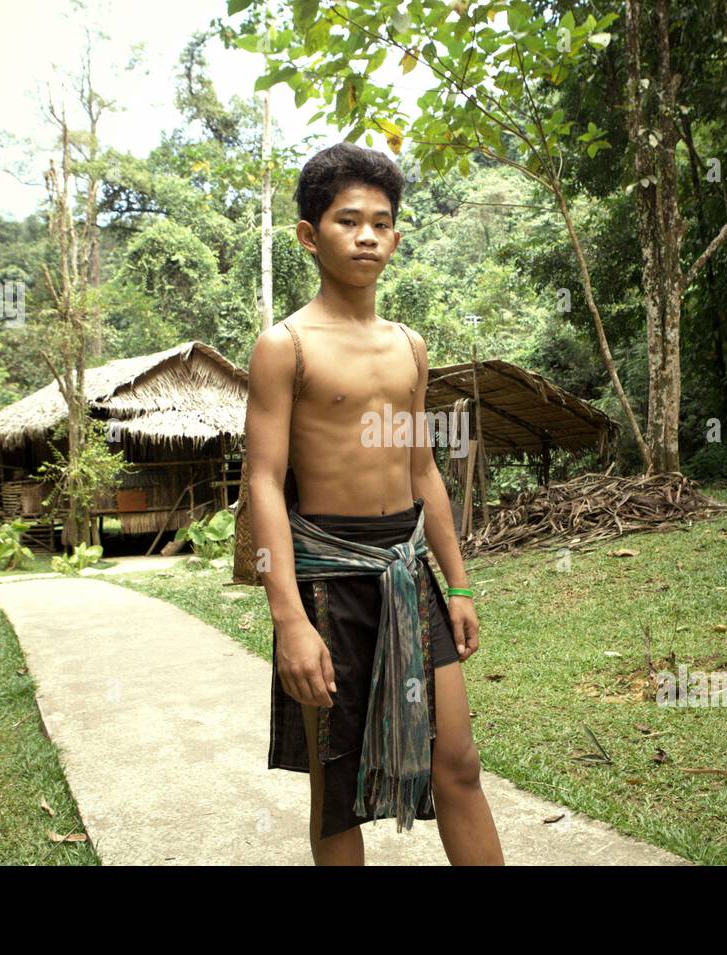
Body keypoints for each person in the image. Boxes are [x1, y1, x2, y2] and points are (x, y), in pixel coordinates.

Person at [244, 142, 504, 865]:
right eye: (347, 220)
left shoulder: (409, 347)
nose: (366, 235)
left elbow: (422, 470)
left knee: (457, 763)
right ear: (308, 234)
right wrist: (289, 618)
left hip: (408, 571)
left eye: (381, 222)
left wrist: (455, 583)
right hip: (328, 578)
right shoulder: (285, 345)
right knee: (337, 795)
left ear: (396, 234)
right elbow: (263, 480)